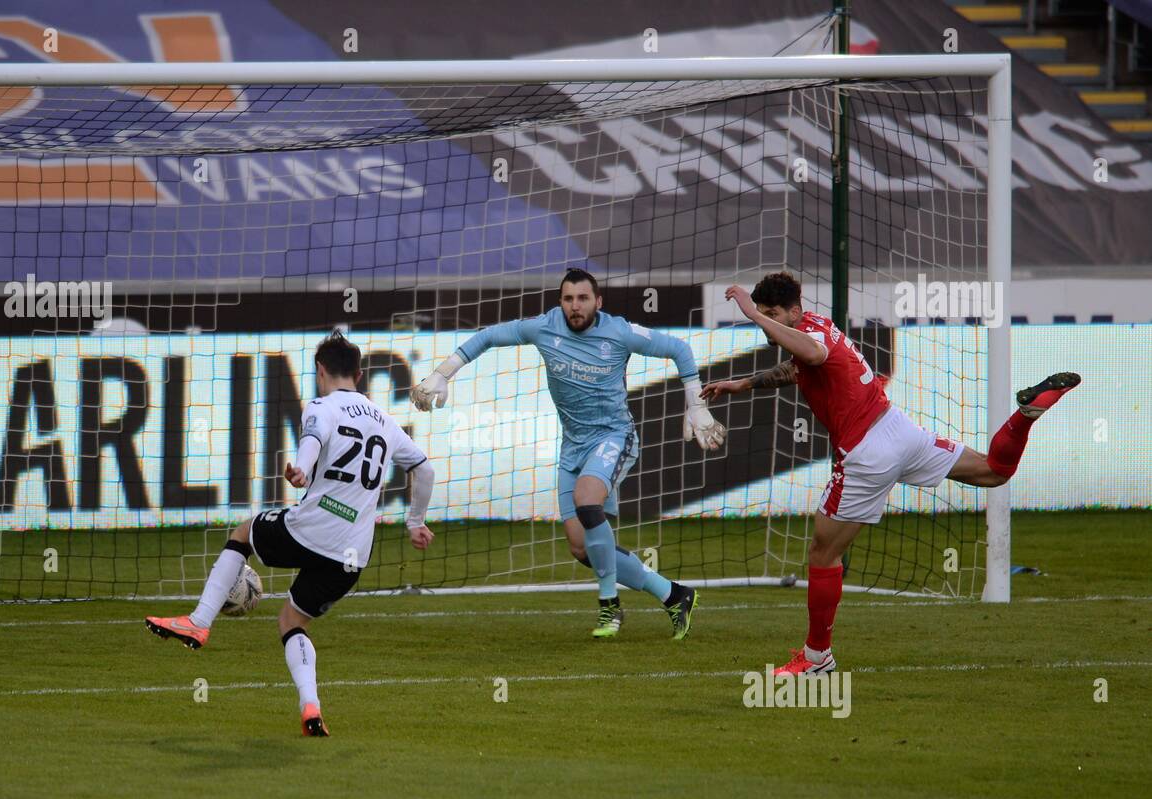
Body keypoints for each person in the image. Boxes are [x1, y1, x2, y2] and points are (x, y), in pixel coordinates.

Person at [701, 271, 1079, 676]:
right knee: (992, 471)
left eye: (773, 314)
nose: (768, 322)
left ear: (794, 311)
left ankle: (816, 657)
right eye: (762, 313)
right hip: (898, 430)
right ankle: (1024, 415)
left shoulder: (810, 336)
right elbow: (798, 368)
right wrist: (742, 383)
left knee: (823, 554)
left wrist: (749, 313)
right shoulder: (818, 326)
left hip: (867, 451)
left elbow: (810, 355)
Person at [146, 332, 436, 737]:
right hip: (353, 554)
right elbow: (424, 469)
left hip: (316, 526)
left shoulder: (322, 406)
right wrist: (415, 521)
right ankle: (311, 708)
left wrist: (300, 469)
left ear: (320, 371)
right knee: (291, 622)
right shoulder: (384, 421)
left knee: (245, 532)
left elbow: (313, 440)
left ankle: (199, 621)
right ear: (359, 374)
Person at [410, 268, 725, 640]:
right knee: (581, 546)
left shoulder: (619, 331)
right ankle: (674, 595)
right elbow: (489, 336)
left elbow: (679, 348)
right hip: (572, 447)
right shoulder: (544, 327)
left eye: (583, 299)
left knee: (587, 502)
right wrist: (444, 373)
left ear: (598, 302)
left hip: (614, 437)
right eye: (568, 299)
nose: (575, 307)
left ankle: (609, 607)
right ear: (560, 302)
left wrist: (695, 403)